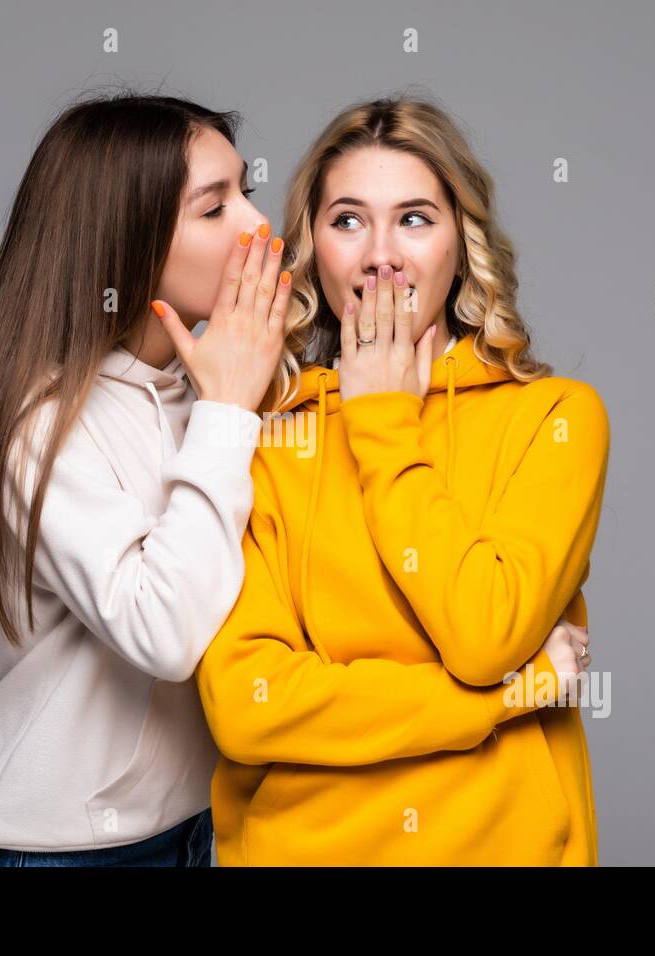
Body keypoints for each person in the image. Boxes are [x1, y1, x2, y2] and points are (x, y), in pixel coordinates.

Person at [195, 94, 610, 865]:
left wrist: (382, 423)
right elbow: (248, 708)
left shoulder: (556, 418)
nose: (381, 253)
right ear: (313, 246)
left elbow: (483, 636)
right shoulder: (260, 438)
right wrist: (514, 694)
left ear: (463, 241)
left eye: (415, 218)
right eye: (347, 220)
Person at [0, 91, 288, 866]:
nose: (259, 228)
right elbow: (163, 631)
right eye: (214, 209)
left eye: (247, 192)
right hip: (53, 852)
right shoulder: (28, 414)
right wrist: (227, 414)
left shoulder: (216, 387)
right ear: (126, 237)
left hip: (196, 825)